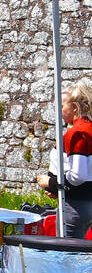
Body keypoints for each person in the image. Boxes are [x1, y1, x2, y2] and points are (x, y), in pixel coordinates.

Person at [36, 80, 92, 238]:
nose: (60, 110)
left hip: (75, 205)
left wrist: (52, 183)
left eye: (62, 106)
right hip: (85, 201)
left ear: (74, 108)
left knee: (69, 255)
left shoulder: (77, 133)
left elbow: (78, 176)